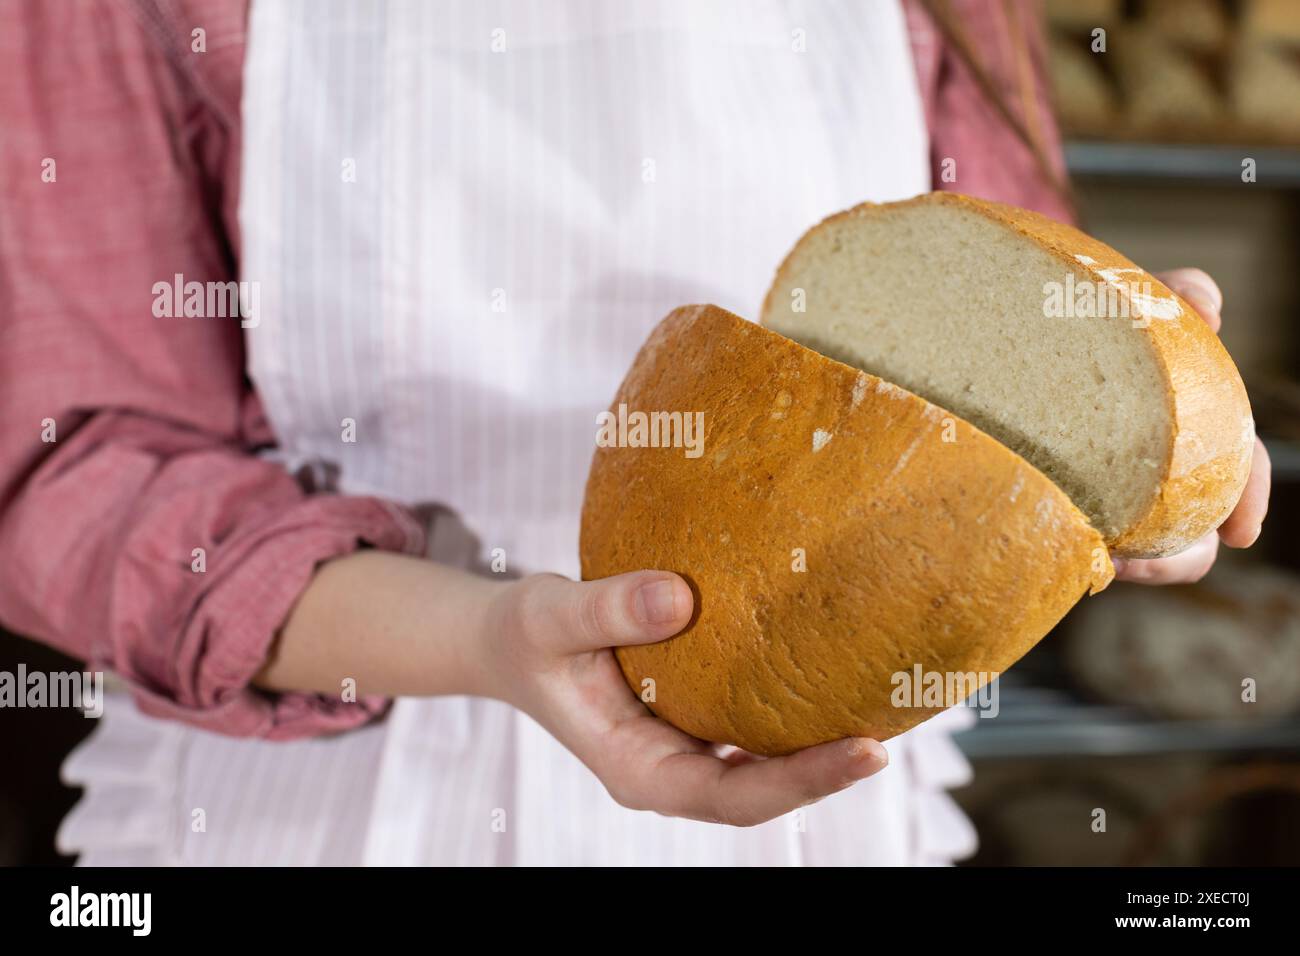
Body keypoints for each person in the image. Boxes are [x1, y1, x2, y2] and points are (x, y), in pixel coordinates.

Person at [0, 0, 1269, 866]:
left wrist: (1131, 430)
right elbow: (77, 470)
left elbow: (998, 304)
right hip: (318, 798)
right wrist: (485, 633)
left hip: (814, 806)